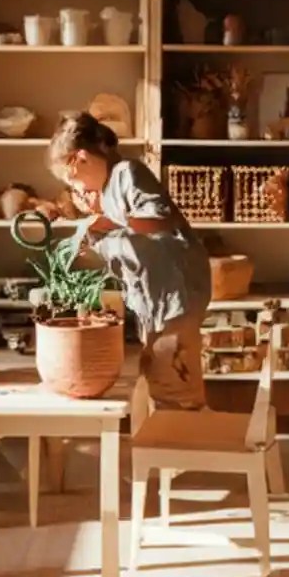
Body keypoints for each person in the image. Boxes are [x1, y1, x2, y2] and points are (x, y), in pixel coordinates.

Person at [48, 111, 211, 410]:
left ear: (81, 158)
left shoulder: (127, 172)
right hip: (154, 294)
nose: (78, 190)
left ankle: (186, 441)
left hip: (177, 288)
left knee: (172, 373)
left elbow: (157, 220)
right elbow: (123, 228)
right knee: (156, 368)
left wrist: (105, 219)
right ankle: (170, 438)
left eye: (73, 179)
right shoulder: (107, 190)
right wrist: (94, 227)